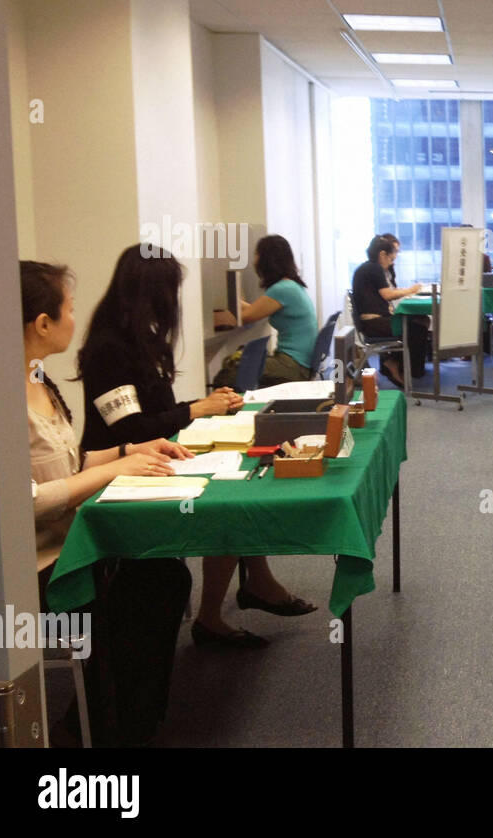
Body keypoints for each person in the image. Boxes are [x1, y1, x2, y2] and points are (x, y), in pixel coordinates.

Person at [78, 244, 316, 650]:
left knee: (238, 492)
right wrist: (197, 409)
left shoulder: (142, 339)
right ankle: (224, 608)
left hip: (157, 454)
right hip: (124, 471)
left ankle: (249, 589)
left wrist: (202, 407)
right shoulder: (108, 349)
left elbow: (162, 413)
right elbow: (131, 431)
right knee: (228, 505)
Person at [23, 259, 193, 746]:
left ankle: (123, 719)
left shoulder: (38, 380)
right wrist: (113, 468)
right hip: (40, 560)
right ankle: (103, 725)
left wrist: (128, 451)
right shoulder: (8, 398)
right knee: (154, 584)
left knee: (161, 575)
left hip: (70, 535)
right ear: (42, 324)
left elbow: (72, 461)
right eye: (69, 309)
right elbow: (26, 501)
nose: (76, 318)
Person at [212, 234, 318, 388]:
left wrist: (204, 317)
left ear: (266, 259)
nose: (254, 259)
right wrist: (234, 298)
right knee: (238, 361)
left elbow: (243, 317)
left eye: (256, 254)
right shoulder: (291, 286)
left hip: (294, 366)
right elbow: (254, 310)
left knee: (227, 375)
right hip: (301, 363)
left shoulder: (282, 289)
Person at [352, 234, 429, 387]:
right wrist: (410, 290)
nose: (391, 263)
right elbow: (387, 294)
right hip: (374, 323)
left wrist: (404, 291)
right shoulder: (374, 268)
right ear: (382, 254)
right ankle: (394, 363)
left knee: (421, 320)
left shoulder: (368, 267)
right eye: (391, 259)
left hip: (374, 321)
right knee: (418, 325)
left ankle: (397, 363)